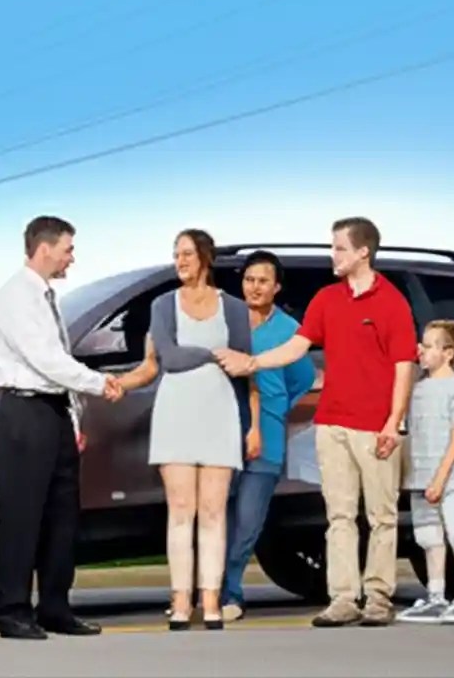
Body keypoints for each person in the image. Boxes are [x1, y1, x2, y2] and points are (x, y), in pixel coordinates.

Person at [215, 217, 417, 628]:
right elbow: (296, 348)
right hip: (332, 424)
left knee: (381, 515)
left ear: (363, 252)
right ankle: (343, 598)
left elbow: (404, 367)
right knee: (339, 516)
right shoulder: (326, 299)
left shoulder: (391, 302)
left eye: (340, 248)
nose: (334, 256)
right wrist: (253, 362)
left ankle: (378, 598)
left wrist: (393, 423)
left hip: (376, 425)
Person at [0, 215, 123, 640]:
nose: (71, 257)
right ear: (44, 248)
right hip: (25, 415)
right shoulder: (16, 297)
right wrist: (99, 383)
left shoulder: (47, 298)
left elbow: (55, 368)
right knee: (23, 515)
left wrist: (74, 418)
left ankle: (55, 607)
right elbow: (46, 361)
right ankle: (11, 610)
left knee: (63, 516)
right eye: (67, 248)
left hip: (53, 413)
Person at [115, 229, 260, 631]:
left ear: (204, 258)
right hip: (177, 412)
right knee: (181, 511)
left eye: (186, 254)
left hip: (219, 413)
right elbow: (168, 359)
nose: (179, 261)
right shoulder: (163, 306)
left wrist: (253, 425)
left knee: (214, 512)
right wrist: (213, 354)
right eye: (175, 254)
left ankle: (210, 600)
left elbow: (245, 367)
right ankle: (181, 600)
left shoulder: (231, 308)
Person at [219, 250, 316, 623]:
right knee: (216, 516)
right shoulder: (228, 321)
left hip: (266, 434)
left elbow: (303, 379)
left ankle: (232, 592)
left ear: (276, 287)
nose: (255, 287)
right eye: (249, 280)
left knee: (247, 521)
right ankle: (208, 591)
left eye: (263, 281)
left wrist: (276, 407)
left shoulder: (289, 329)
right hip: (224, 429)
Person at [396, 319, 454, 625]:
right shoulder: (418, 389)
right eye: (423, 344)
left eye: (430, 346)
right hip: (421, 474)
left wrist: (442, 478)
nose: (422, 350)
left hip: (451, 476)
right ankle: (436, 595)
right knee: (429, 536)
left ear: (448, 352)